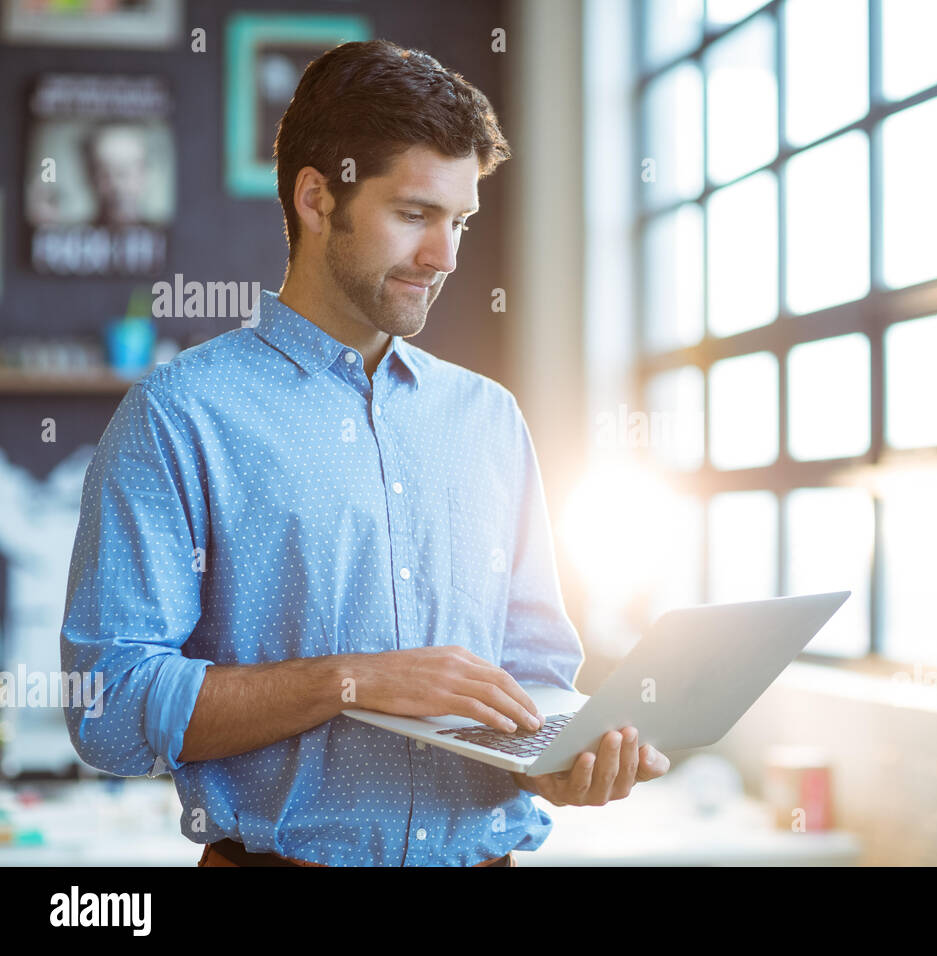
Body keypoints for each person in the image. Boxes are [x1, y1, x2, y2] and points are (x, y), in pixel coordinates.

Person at [60, 39, 668, 868]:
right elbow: (110, 711)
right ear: (317, 198)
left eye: (460, 222)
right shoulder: (178, 414)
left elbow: (533, 678)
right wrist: (349, 681)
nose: (445, 256)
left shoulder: (488, 418)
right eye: (415, 215)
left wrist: (561, 762)